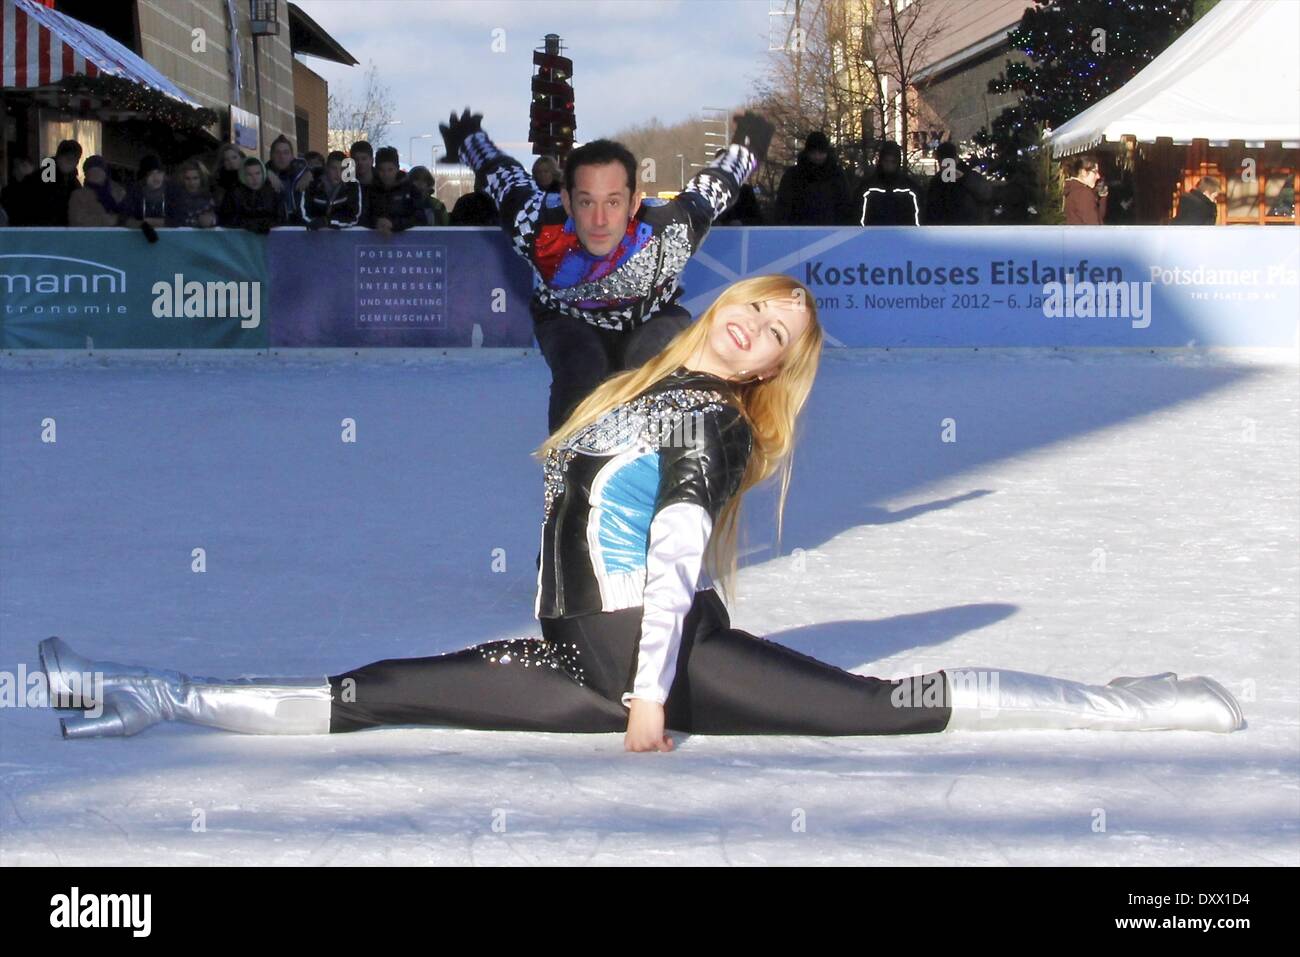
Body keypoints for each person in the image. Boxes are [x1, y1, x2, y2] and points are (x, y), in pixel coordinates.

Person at [39, 273, 1245, 749]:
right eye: (755, 307)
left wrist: (656, 694)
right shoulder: (636, 393)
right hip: (576, 657)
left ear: (774, 369)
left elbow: (673, 549)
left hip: (663, 663)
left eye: (776, 334)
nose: (752, 327)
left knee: (886, 707)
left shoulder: (707, 423)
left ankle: (1136, 708)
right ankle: (141, 695)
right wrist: (565, 645)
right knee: (382, 689)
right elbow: (567, 532)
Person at [439, 106, 773, 433]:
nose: (600, 221)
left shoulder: (669, 233)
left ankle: (653, 456)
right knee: (583, 366)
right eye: (586, 202)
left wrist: (746, 147)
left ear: (634, 203)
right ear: (566, 201)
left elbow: (716, 186)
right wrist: (468, 138)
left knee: (649, 365)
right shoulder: (536, 227)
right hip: (567, 318)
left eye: (613, 202)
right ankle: (569, 467)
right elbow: (502, 174)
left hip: (650, 317)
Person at [773, 131, 851, 225]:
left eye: (821, 152)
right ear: (807, 153)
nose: (817, 156)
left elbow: (845, 206)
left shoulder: (837, 175)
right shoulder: (793, 176)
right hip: (800, 231)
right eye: (814, 152)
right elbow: (783, 207)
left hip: (831, 231)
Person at [852, 141, 922, 226]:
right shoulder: (867, 188)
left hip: (903, 236)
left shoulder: (910, 189)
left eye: (893, 162)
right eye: (886, 161)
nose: (889, 165)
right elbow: (857, 217)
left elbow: (919, 219)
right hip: (873, 237)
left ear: (897, 163)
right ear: (881, 161)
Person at [922, 141, 992, 225]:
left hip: (951, 228)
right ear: (956, 158)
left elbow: (931, 211)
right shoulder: (969, 175)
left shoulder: (938, 181)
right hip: (969, 227)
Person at [364, 146, 427, 232]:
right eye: (382, 170)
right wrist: (376, 222)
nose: (386, 174)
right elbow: (363, 216)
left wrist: (395, 224)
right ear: (376, 170)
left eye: (390, 170)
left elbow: (420, 218)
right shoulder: (370, 190)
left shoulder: (411, 190)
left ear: (397, 168)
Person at [299, 150, 364, 228]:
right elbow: (303, 213)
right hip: (315, 234)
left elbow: (354, 217)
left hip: (342, 235)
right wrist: (316, 224)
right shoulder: (311, 182)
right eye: (334, 168)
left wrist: (328, 222)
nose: (338, 173)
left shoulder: (352, 184)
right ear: (326, 168)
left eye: (342, 169)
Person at [217, 157, 281, 232]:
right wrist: (250, 225)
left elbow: (280, 218)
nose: (254, 178)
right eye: (249, 175)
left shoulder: (273, 192)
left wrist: (264, 225)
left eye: (257, 173)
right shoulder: (234, 194)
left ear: (263, 173)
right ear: (243, 176)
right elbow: (226, 219)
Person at [67, 156, 125, 227]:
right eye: (92, 171)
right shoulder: (78, 196)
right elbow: (77, 221)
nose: (96, 174)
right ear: (86, 174)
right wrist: (108, 220)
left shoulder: (119, 192)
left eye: (99, 170)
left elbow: (128, 217)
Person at [266, 133, 308, 224]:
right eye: (277, 152)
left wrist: (309, 172)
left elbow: (322, 170)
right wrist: (266, 173)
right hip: (273, 228)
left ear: (292, 156)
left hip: (300, 227)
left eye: (286, 153)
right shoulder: (262, 175)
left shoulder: (303, 173)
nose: (282, 157)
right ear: (271, 155)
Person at [121, 154, 171, 229]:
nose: (156, 177)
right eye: (151, 173)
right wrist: (143, 226)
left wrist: (163, 222)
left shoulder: (172, 192)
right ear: (144, 177)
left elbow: (179, 219)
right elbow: (124, 218)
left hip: (170, 236)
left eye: (159, 173)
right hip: (140, 236)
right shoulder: (134, 192)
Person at [1063, 154, 1108, 225]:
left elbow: (1097, 217)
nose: (1098, 176)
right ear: (1084, 172)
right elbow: (1095, 227)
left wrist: (1102, 197)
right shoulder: (1083, 194)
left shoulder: (1074, 190)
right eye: (1095, 172)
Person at [1, 157, 41, 226]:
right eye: (17, 167)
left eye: (24, 166)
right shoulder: (7, 192)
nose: (20, 169)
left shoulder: (40, 190)